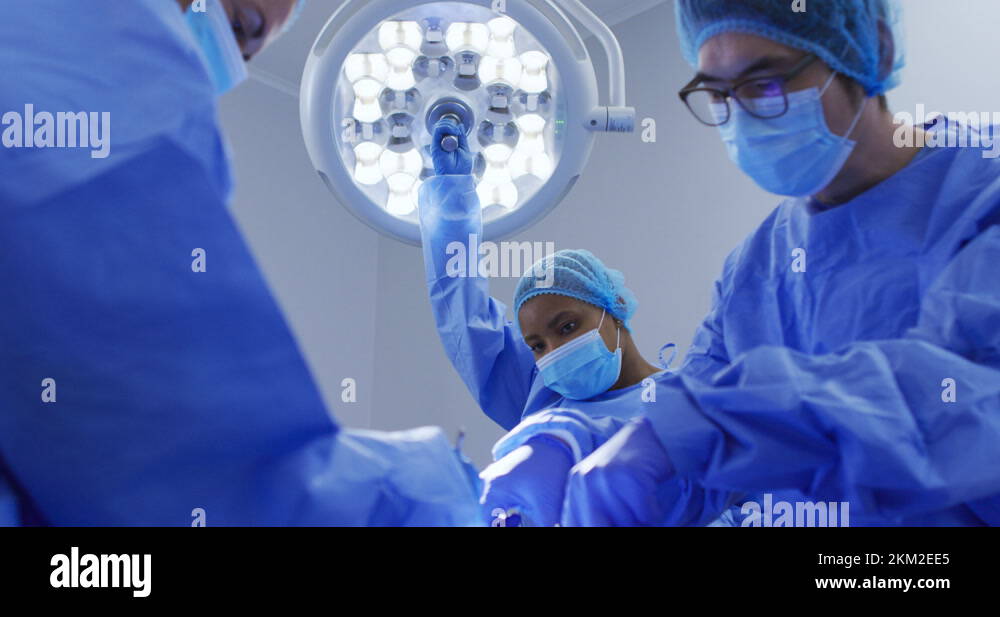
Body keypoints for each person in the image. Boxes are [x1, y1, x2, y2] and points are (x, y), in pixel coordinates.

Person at [0, 0, 482, 525]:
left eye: (249, 51)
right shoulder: (114, 65)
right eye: (238, 26)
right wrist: (413, 486)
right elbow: (187, 468)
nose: (231, 62)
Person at [561, 0, 1000, 526]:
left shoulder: (982, 197)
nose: (740, 114)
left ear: (874, 51)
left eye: (765, 84)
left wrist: (691, 431)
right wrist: (573, 447)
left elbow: (959, 399)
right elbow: (691, 420)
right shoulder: (754, 268)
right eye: (718, 94)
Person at [418, 120, 734, 526]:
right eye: (537, 345)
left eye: (567, 327)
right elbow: (464, 313)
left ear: (614, 305)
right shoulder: (544, 398)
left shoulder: (688, 403)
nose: (554, 353)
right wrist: (452, 199)